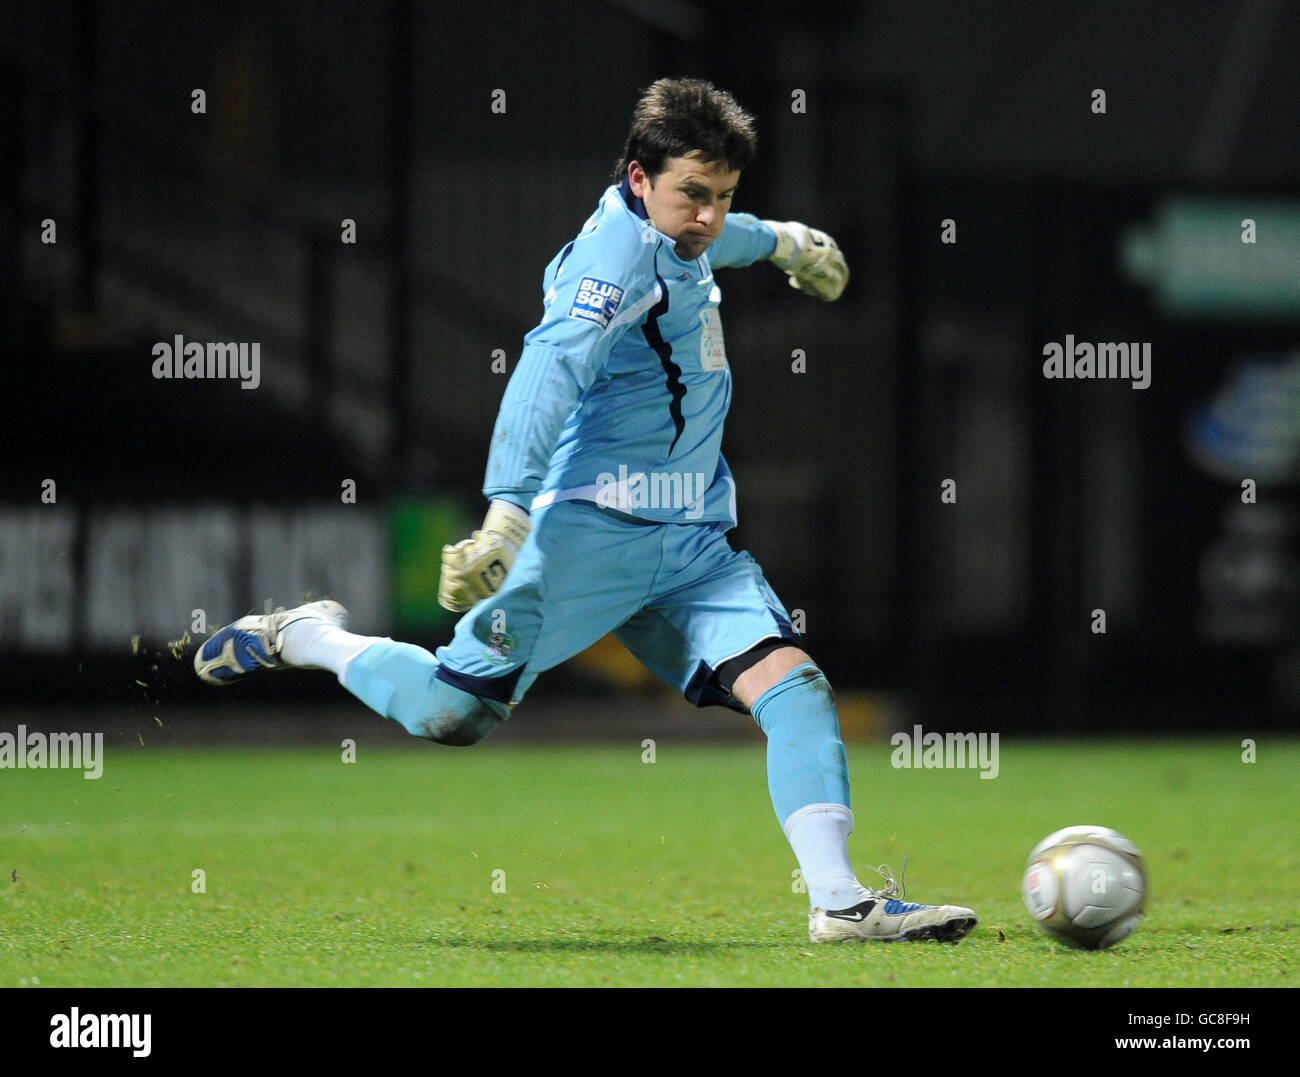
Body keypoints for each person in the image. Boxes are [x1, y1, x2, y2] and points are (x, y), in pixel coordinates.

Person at [195, 77, 976, 944]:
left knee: (794, 686)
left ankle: (840, 902)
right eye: (693, 194)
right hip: (587, 535)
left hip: (691, 546)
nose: (710, 215)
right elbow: (545, 373)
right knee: (451, 716)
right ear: (639, 180)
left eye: (724, 196)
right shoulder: (608, 268)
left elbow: (718, 245)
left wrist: (788, 242)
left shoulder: (683, 234)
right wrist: (505, 516)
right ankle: (307, 634)